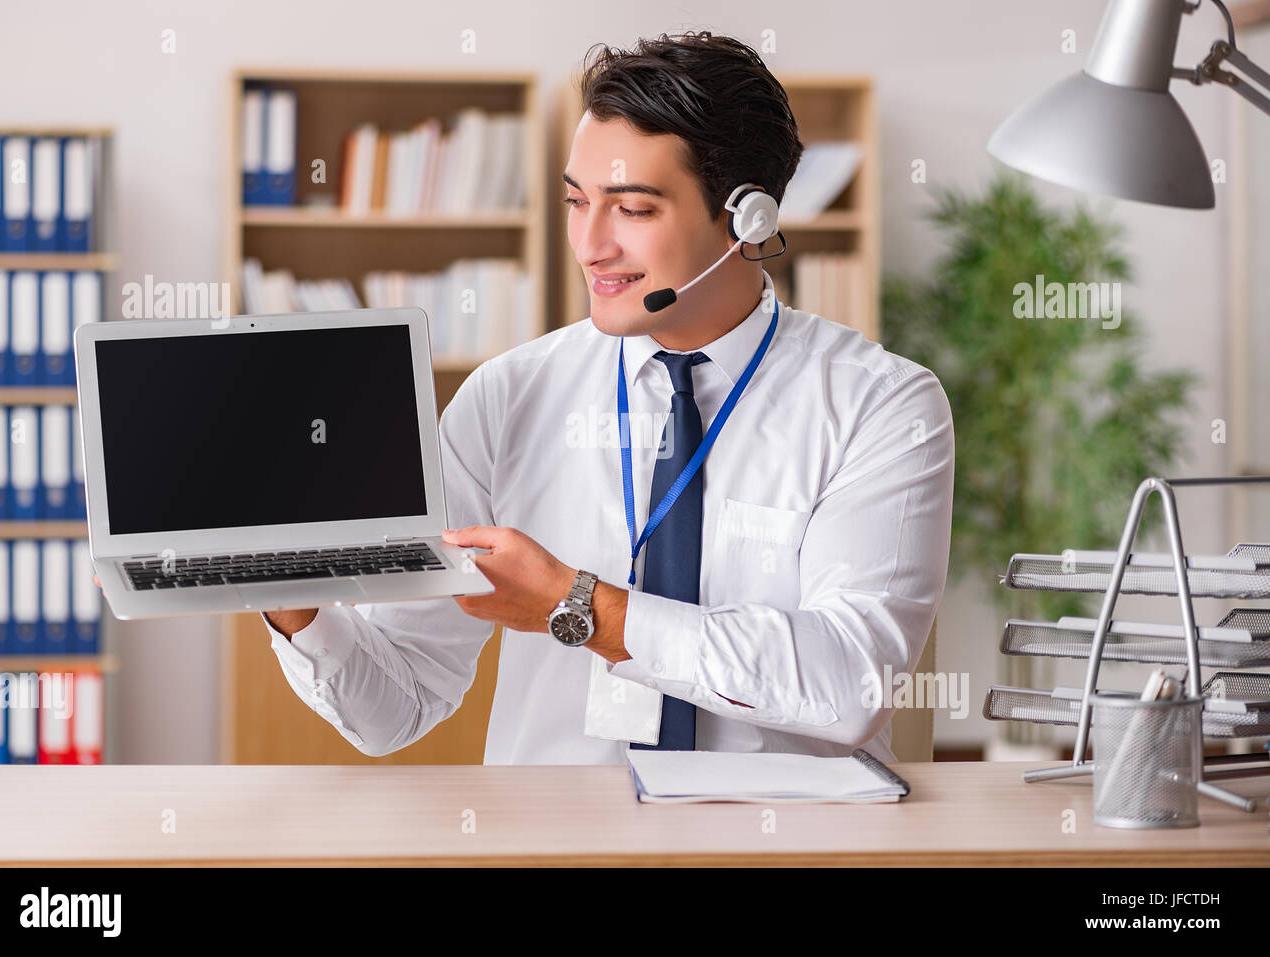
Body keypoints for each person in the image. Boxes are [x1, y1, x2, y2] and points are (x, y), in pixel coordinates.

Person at [259, 31, 955, 764]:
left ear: (748, 219)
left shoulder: (883, 405)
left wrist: (581, 607)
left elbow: (851, 680)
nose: (590, 244)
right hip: (555, 843)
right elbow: (393, 707)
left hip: (777, 840)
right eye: (575, 201)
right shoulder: (506, 397)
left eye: (633, 209)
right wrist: (292, 599)